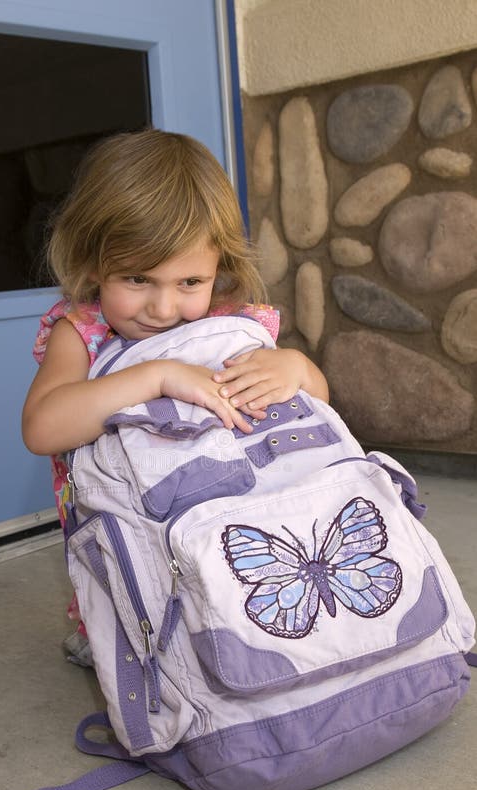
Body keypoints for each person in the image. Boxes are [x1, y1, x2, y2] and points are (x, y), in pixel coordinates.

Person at [22, 128, 329, 662]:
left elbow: (322, 412)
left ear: (220, 269)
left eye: (190, 282)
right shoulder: (84, 332)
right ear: (94, 262)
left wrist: (297, 367)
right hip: (134, 544)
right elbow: (42, 428)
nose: (164, 309)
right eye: (138, 278)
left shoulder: (231, 323)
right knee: (148, 637)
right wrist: (156, 376)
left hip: (234, 528)